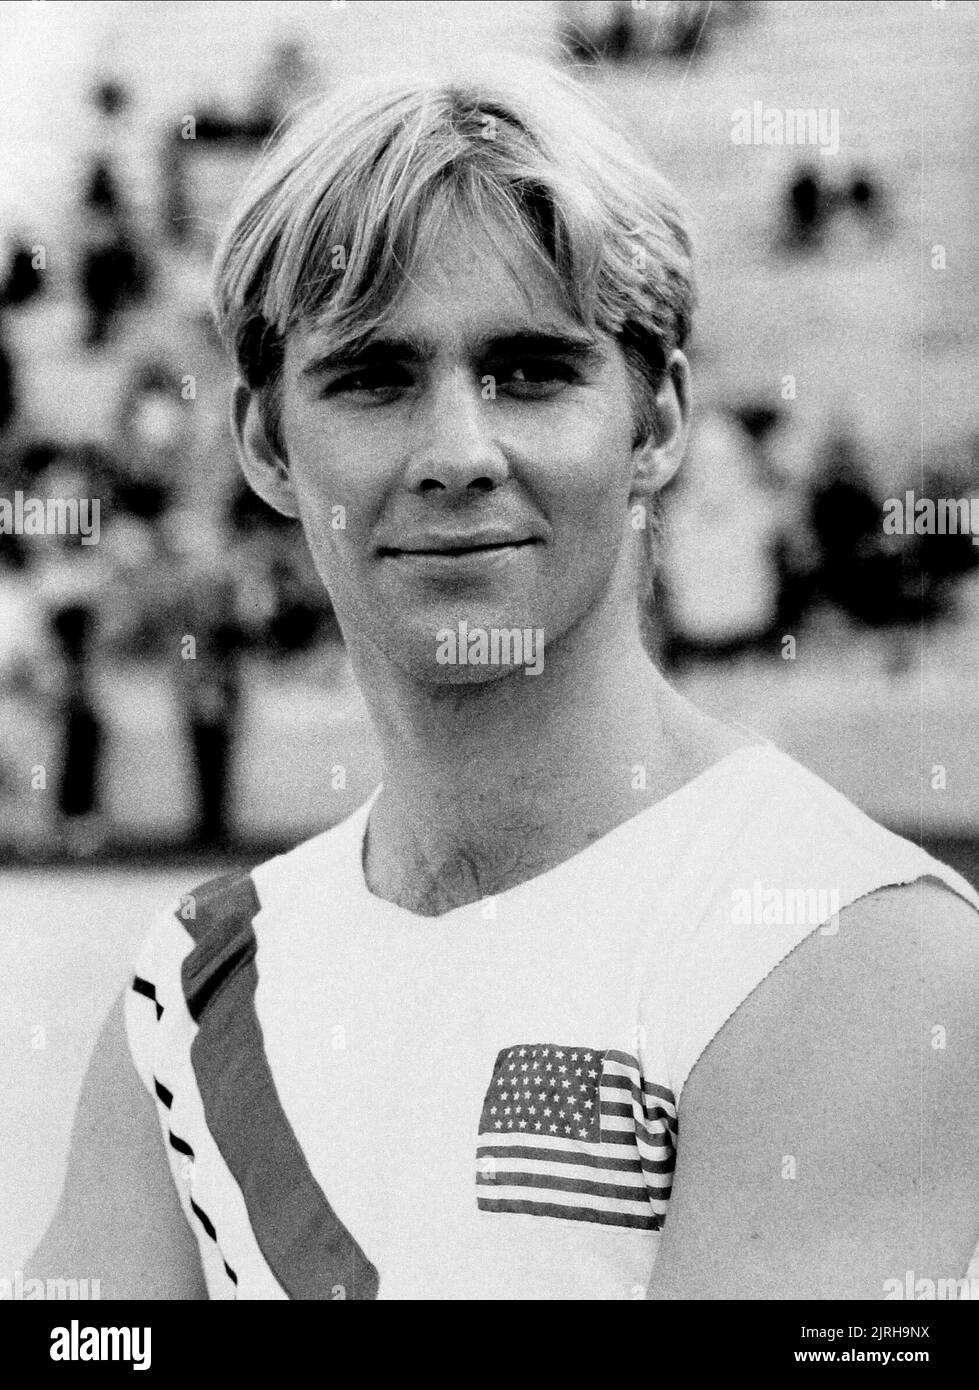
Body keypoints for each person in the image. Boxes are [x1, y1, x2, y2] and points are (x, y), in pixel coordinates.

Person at [28, 58, 979, 1301]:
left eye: (531, 370)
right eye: (373, 376)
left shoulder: (848, 945)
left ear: (657, 421)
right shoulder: (197, 986)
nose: (459, 453)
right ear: (264, 441)